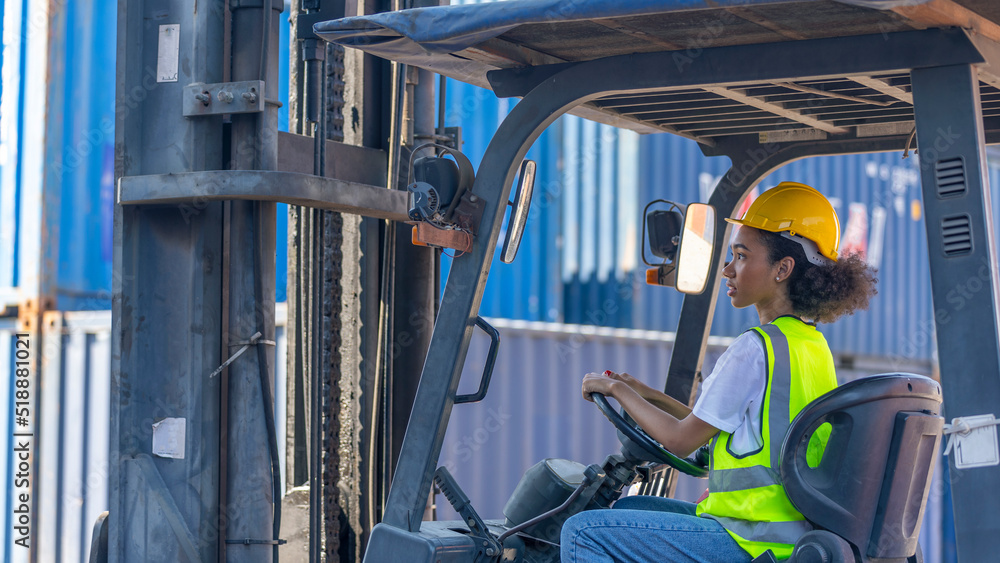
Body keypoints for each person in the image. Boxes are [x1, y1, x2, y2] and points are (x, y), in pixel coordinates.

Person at [560, 182, 878, 562]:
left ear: (783, 269)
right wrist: (646, 392)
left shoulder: (755, 347)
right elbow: (714, 425)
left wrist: (615, 389)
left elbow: (681, 441)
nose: (727, 270)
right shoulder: (810, 346)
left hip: (748, 540)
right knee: (628, 512)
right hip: (786, 537)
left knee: (582, 531)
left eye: (741, 257)